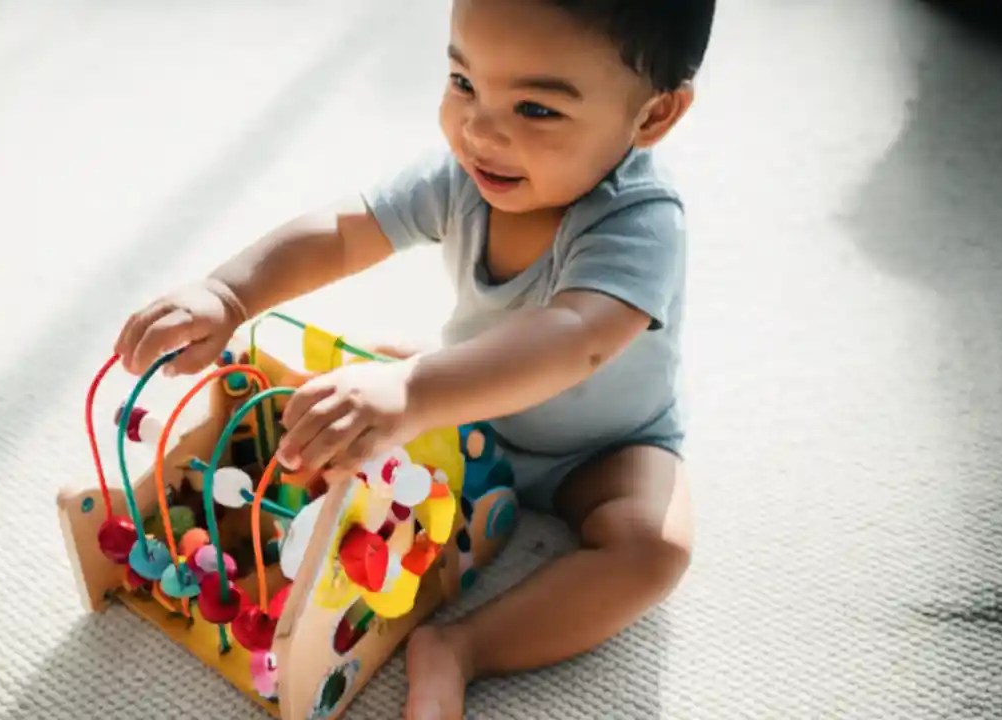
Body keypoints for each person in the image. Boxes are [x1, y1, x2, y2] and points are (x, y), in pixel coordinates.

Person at [114, 0, 715, 717]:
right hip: (459, 399)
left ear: (652, 117)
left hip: (605, 447)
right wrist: (229, 293)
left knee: (652, 551)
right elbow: (341, 232)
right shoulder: (464, 175)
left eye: (536, 109)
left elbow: (575, 337)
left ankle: (463, 648)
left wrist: (412, 390)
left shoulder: (640, 219)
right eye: (463, 82)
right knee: (340, 401)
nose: (479, 130)